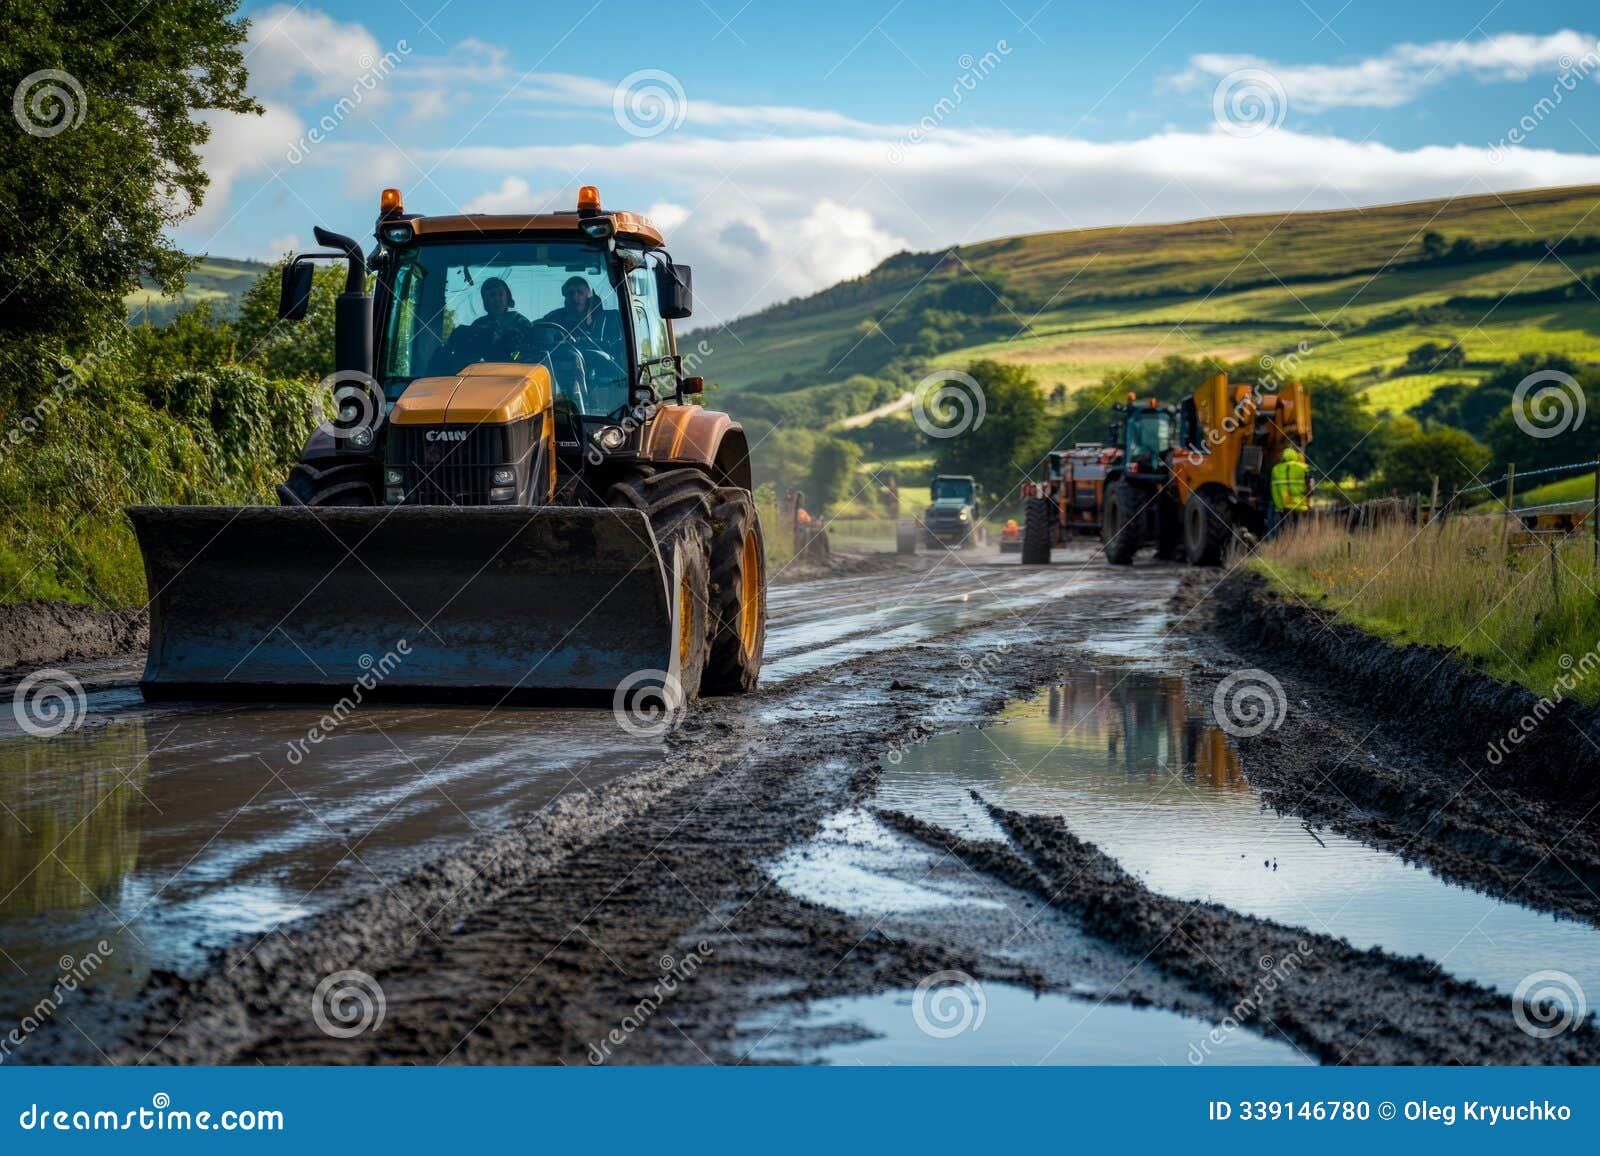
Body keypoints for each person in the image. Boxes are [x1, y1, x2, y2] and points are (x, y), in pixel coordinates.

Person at [436, 277, 537, 370]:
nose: (497, 299)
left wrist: (511, 352)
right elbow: (469, 357)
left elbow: (529, 352)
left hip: (516, 372)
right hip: (482, 374)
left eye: (500, 294)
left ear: (508, 298)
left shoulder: (520, 322)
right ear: (484, 301)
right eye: (492, 295)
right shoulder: (478, 325)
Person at [542, 276, 620, 348]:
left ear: (588, 296)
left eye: (580, 292)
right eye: (570, 293)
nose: (574, 296)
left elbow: (618, 346)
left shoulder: (610, 319)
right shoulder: (553, 318)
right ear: (565, 296)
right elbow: (538, 332)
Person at [1269, 446, 1311, 536]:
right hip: (1300, 505)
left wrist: (1278, 506)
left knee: (1284, 529)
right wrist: (1307, 502)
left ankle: (1284, 541)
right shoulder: (1303, 467)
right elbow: (1309, 487)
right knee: (1298, 529)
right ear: (1295, 455)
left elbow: (1274, 490)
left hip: (1285, 506)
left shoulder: (1275, 469)